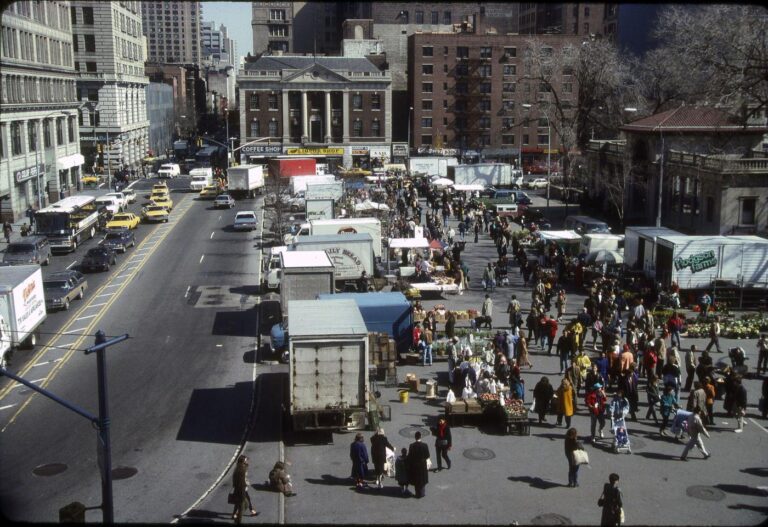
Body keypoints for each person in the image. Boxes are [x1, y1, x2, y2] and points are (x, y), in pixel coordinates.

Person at [231, 455, 257, 522]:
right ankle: (238, 516)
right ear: (243, 462)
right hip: (241, 489)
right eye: (246, 460)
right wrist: (245, 485)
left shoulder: (240, 468)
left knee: (240, 502)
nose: (247, 461)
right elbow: (242, 481)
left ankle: (235, 514)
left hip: (240, 488)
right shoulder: (242, 470)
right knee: (243, 503)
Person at [407, 431, 430, 498]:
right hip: (422, 465)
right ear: (420, 437)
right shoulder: (425, 445)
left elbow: (410, 456)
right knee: (422, 480)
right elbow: (427, 455)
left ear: (415, 437)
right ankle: (422, 493)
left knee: (416, 480)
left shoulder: (411, 446)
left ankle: (417, 493)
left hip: (415, 466)